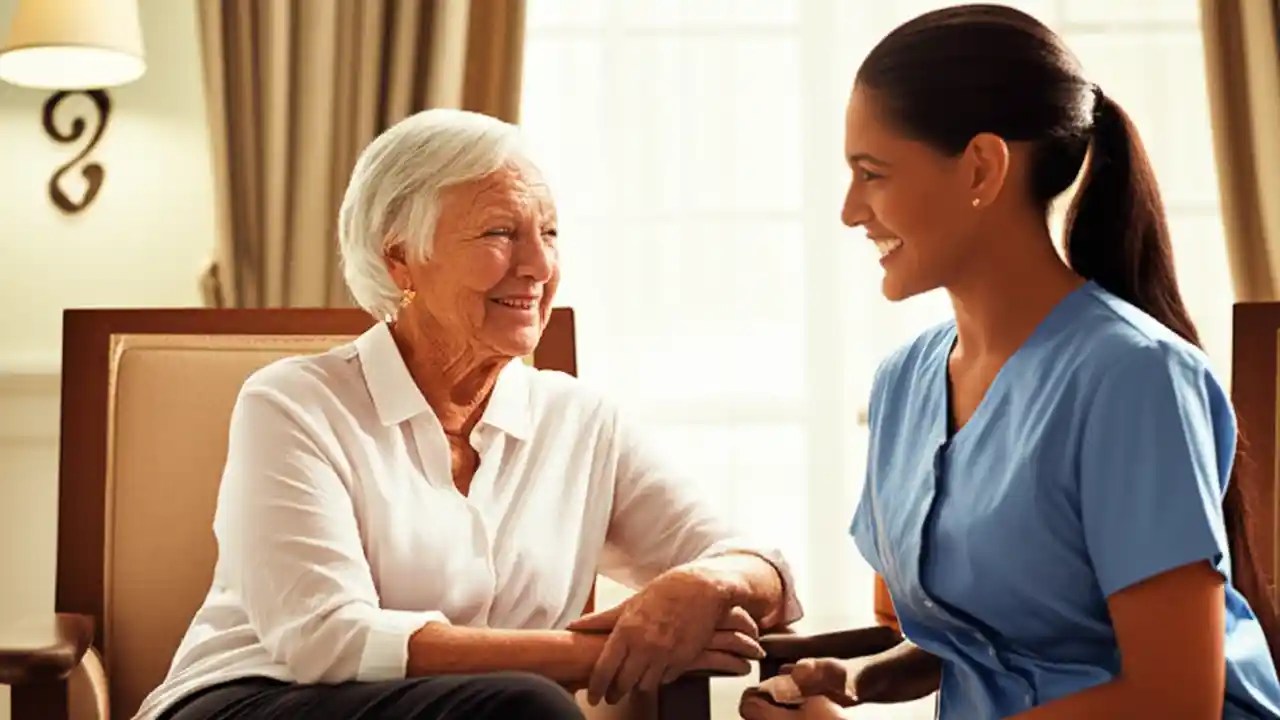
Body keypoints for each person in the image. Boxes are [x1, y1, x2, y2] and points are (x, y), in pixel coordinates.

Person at [134, 108, 802, 720]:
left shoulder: (581, 422)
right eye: (499, 233)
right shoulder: (293, 404)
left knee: (523, 705)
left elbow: (759, 567)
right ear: (400, 258)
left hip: (485, 710)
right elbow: (325, 639)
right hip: (258, 699)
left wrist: (704, 583)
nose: (538, 265)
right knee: (527, 706)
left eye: (549, 232)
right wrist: (594, 652)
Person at [739, 4, 1280, 719]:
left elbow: (1174, 701)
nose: (848, 210)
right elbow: (987, 634)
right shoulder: (905, 382)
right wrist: (856, 677)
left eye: (872, 173)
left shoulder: (1135, 380)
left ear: (983, 168)